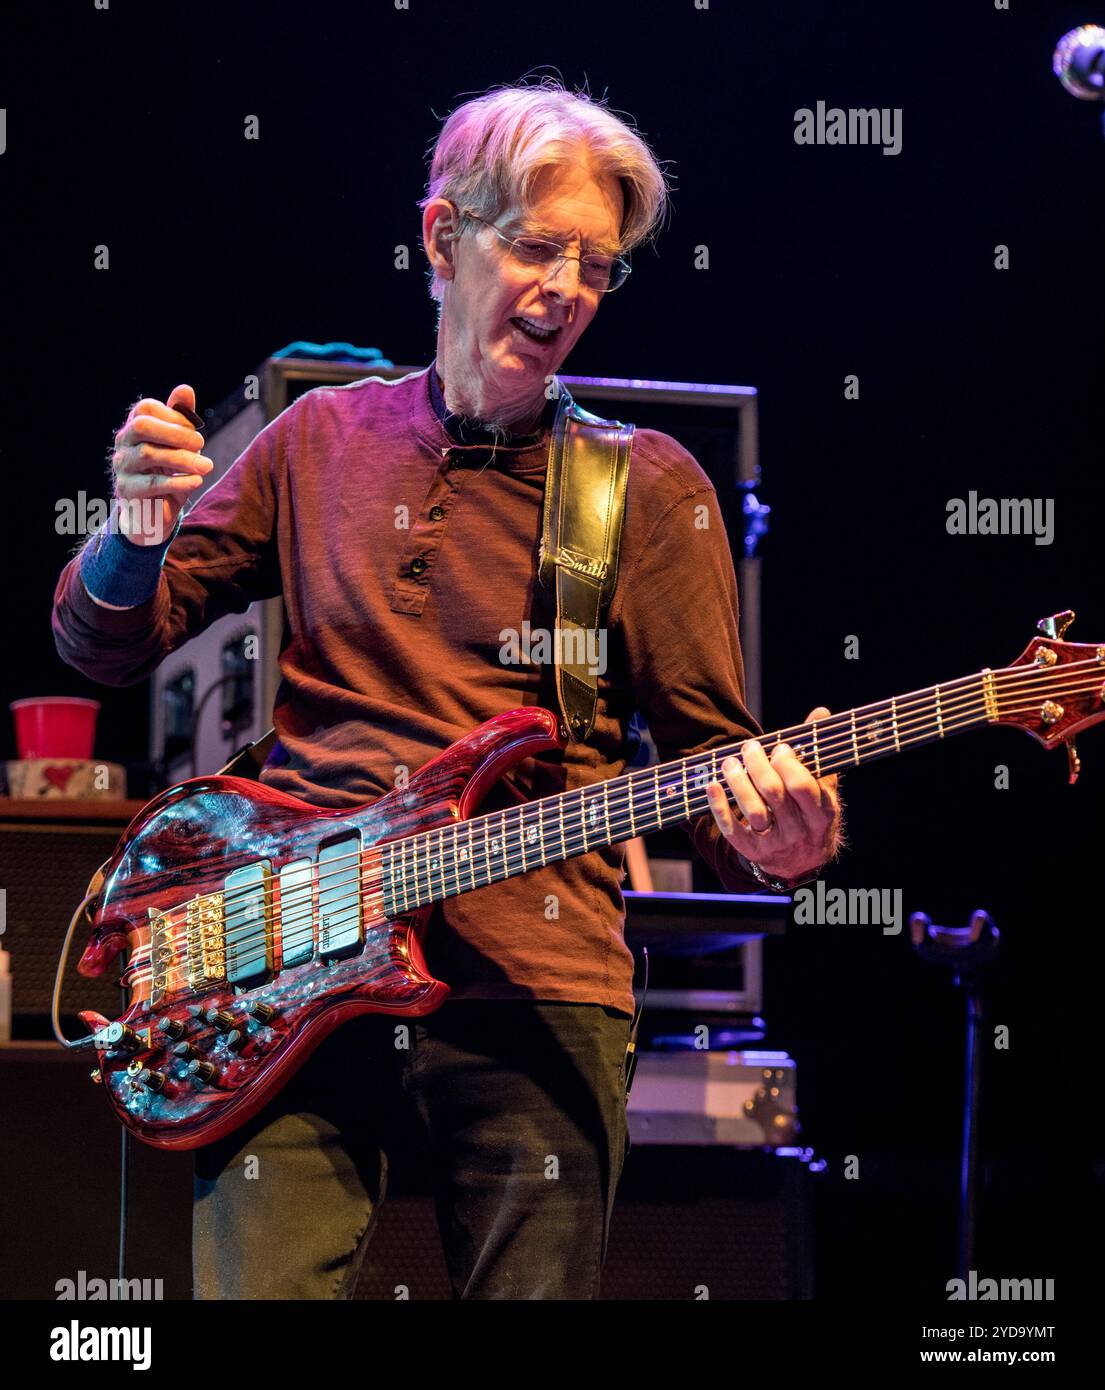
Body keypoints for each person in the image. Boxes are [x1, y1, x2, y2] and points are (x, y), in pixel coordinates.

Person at [52, 79, 842, 1300]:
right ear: (440, 237)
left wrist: (776, 838)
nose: (566, 290)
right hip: (285, 955)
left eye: (597, 264)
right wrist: (131, 534)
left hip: (539, 981)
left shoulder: (649, 488)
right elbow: (106, 644)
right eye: (536, 246)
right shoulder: (316, 439)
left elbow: (710, 777)